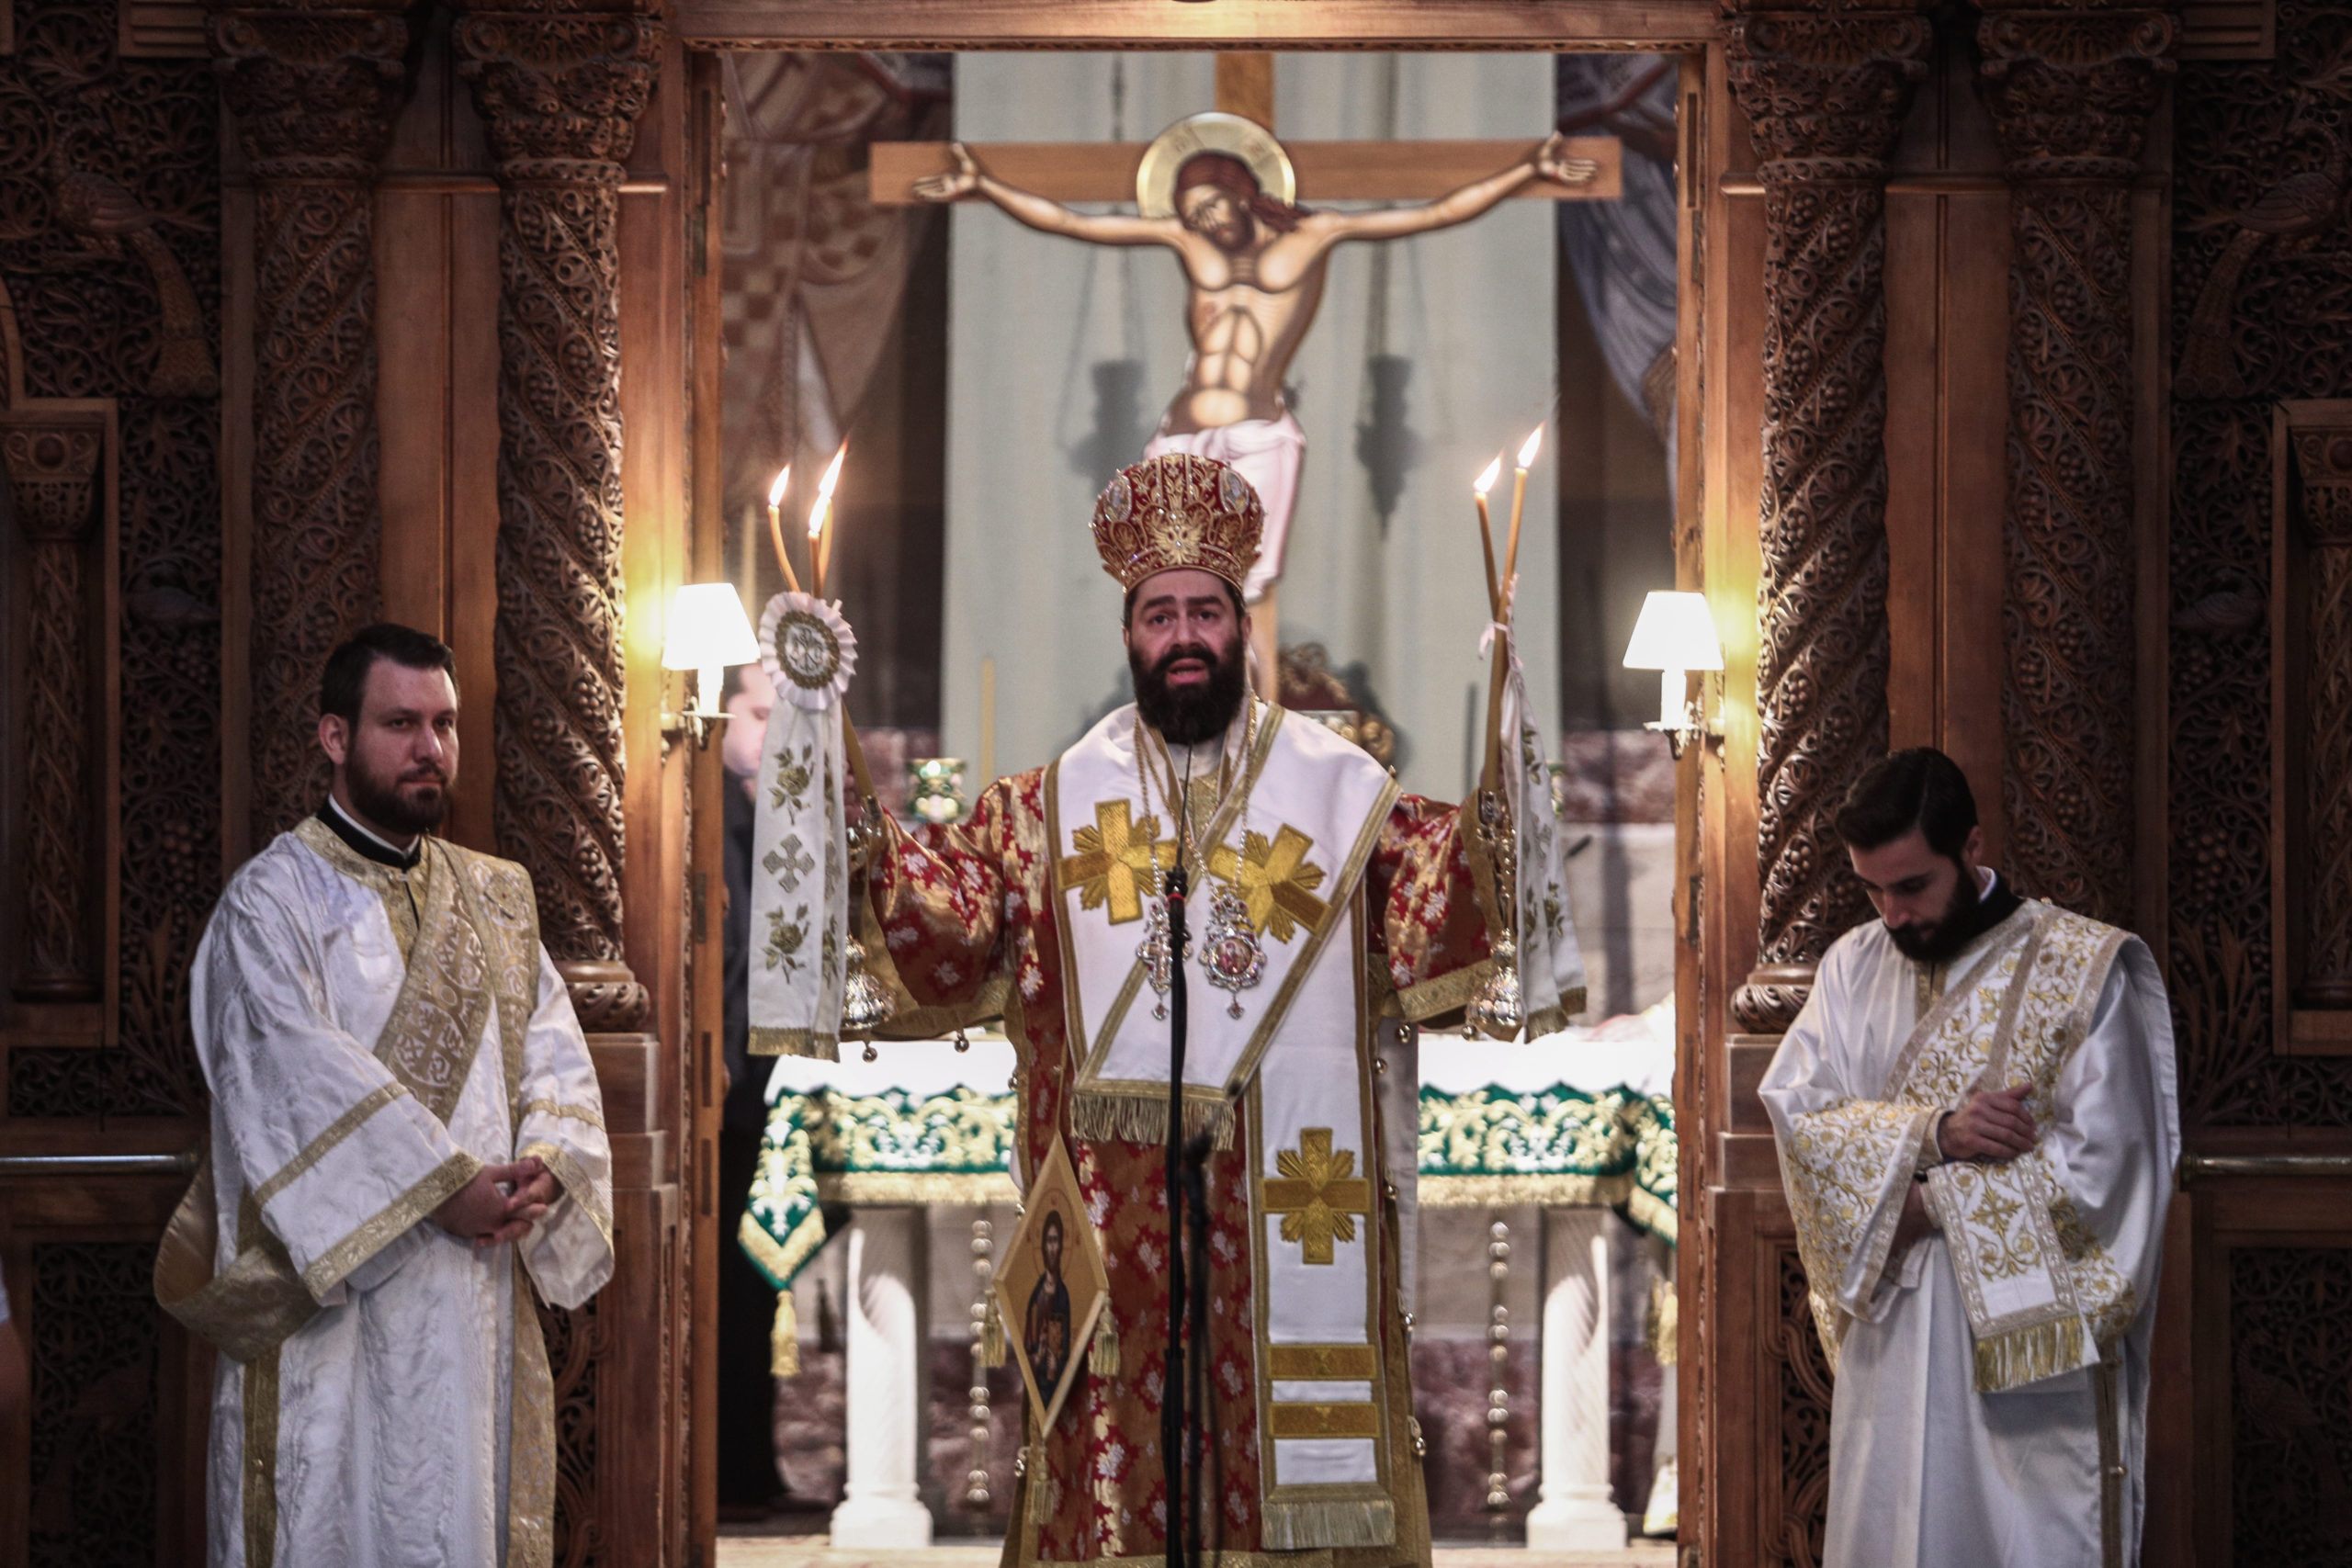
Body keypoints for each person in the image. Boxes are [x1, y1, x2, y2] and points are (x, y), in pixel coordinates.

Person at [808, 453, 1553, 1566]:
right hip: (1110, 1229)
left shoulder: (1337, 790)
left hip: (1280, 1204)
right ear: (1129, 636)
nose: (1186, 633)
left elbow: (1438, 901)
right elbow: (943, 921)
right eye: (1161, 613)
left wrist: (1503, 780)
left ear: (1242, 624)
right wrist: (842, 801)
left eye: (1208, 609)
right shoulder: (1049, 808)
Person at [156, 622, 613, 1568]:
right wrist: (447, 1190)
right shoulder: (272, 902)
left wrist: (546, 1169)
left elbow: (554, 1056)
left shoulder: (497, 896)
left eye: (443, 724)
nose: (428, 749)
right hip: (331, 1312)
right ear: (335, 737)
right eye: (400, 723)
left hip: (470, 1301)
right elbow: (286, 1074)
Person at [1758, 748, 2178, 1568]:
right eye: (1872, 889)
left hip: (2023, 1365)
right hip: (1894, 1336)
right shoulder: (1850, 968)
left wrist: (1923, 1206)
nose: (1892, 915)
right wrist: (1935, 1134)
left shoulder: (2081, 970)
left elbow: (2112, 1170)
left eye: (1912, 885)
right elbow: (1803, 1121)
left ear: (1973, 848)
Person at [914, 130, 1596, 608]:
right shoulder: (1184, 238)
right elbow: (1073, 223)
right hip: (1183, 432)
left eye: (1212, 205)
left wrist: (1524, 173)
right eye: (1192, 215)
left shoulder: (1314, 233)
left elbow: (1432, 212)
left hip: (1261, 430)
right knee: (1173, 582)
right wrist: (985, 185)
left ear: (1242, 193)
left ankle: (1253, 727)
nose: (1205, 223)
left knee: (1249, 588)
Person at [718, 661, 792, 1517]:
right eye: (761, 711)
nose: (773, 732)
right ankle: (732, 1472)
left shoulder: (775, 816)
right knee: (735, 1286)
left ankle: (752, 1468)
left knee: (759, 1280)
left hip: (763, 1085)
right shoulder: (709, 810)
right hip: (725, 1088)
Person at [1022, 1207, 1074, 1398]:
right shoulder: (1035, 1294)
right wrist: (1036, 1358)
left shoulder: (1063, 1295)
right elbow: (1026, 1344)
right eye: (1049, 1241)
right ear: (1043, 1245)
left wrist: (1057, 1365)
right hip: (1036, 1381)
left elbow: (1067, 1346)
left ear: (1061, 1246)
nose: (1052, 1248)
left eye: (1056, 1241)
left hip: (1057, 1387)